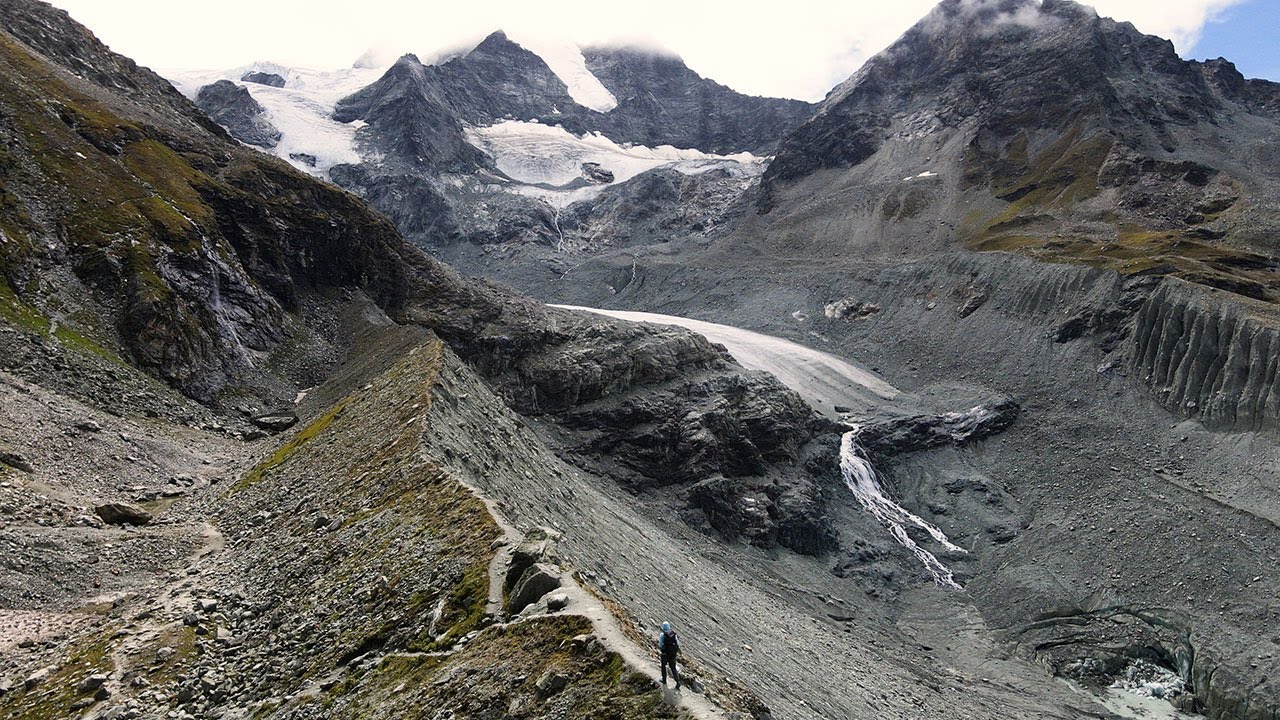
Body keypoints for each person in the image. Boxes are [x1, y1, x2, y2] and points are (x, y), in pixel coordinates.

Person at [657, 621, 681, 688]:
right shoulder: (673, 634)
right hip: (673, 654)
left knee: (663, 666)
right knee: (673, 667)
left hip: (665, 654)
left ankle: (664, 679)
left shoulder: (662, 635)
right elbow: (678, 644)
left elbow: (661, 644)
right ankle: (678, 681)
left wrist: (662, 649)